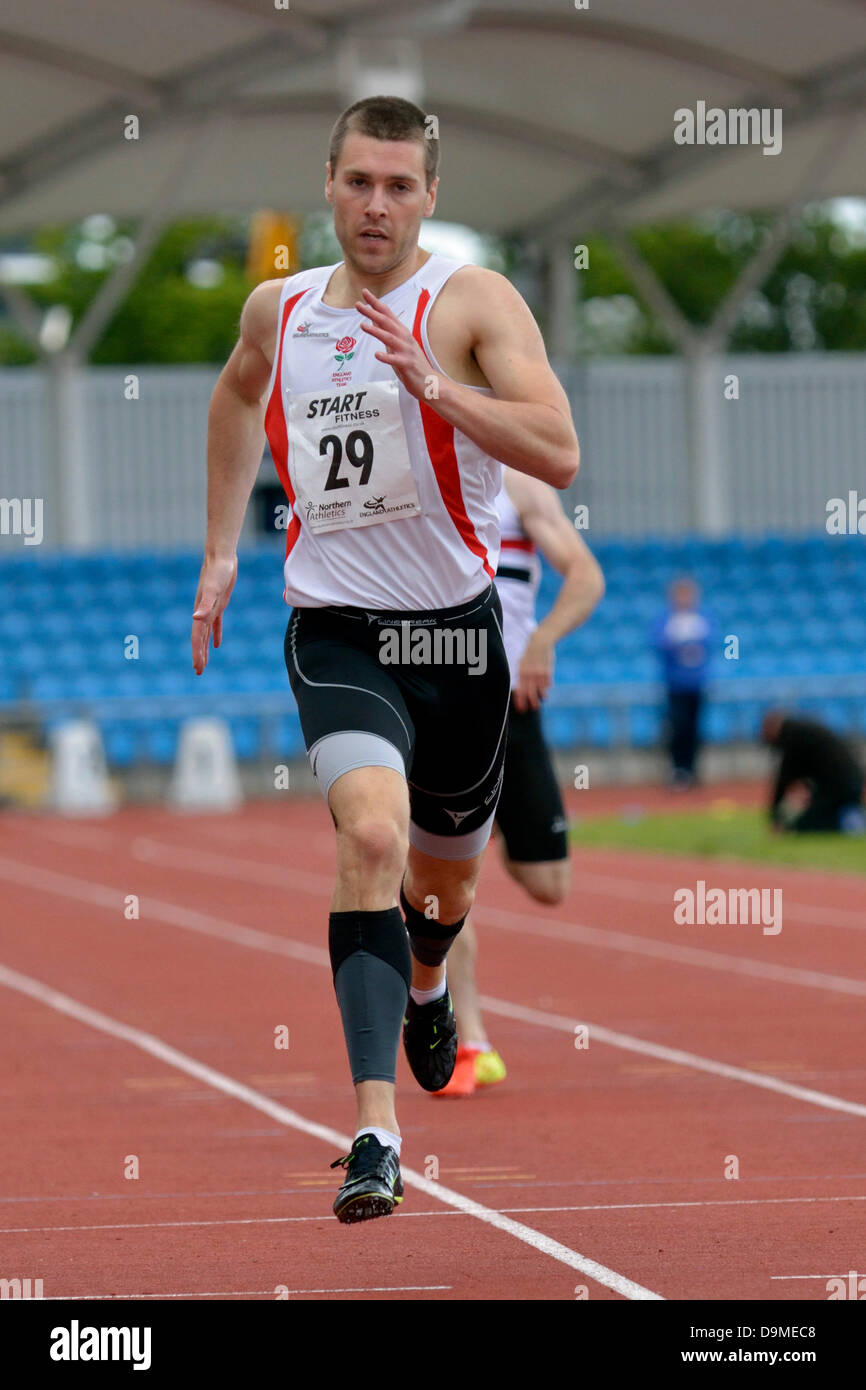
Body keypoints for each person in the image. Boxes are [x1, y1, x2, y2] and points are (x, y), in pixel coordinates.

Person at [190, 95, 580, 1223]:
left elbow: (555, 442)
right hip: (338, 627)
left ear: (430, 196)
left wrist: (436, 388)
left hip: (458, 636)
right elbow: (232, 390)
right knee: (369, 832)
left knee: (443, 886)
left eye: (398, 185)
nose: (376, 204)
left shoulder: (471, 302)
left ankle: (426, 986)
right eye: (358, 181)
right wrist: (221, 551)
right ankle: (374, 1130)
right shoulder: (284, 306)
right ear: (327, 184)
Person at [434, 467, 604, 1096]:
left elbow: (586, 576)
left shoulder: (522, 485)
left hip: (512, 702)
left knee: (549, 883)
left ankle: (484, 835)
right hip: (439, 700)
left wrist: (543, 642)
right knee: (444, 885)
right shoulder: (423, 462)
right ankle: (467, 1039)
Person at [652, 578, 714, 789]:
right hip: (675, 685)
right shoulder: (667, 621)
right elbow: (657, 644)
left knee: (696, 729)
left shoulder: (703, 619)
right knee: (677, 728)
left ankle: (692, 769)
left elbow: (715, 642)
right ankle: (678, 771)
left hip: (697, 685)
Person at [760, 710, 865, 833]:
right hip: (847, 782)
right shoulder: (803, 731)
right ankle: (852, 816)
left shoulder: (793, 737)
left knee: (806, 824)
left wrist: (776, 817)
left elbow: (785, 778)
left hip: (838, 786)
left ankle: (852, 822)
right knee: (818, 813)